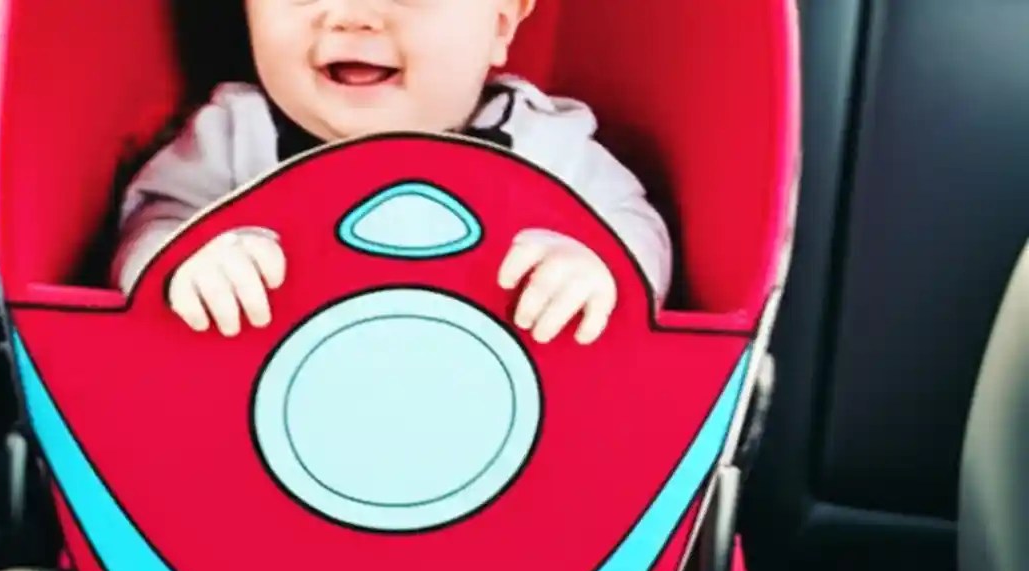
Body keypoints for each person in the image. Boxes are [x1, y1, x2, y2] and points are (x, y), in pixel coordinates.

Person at [114, 0, 672, 345]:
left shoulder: (540, 142)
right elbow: (148, 223)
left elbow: (635, 226)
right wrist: (186, 262)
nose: (351, 15)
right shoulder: (237, 134)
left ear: (500, 22)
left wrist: (597, 269)